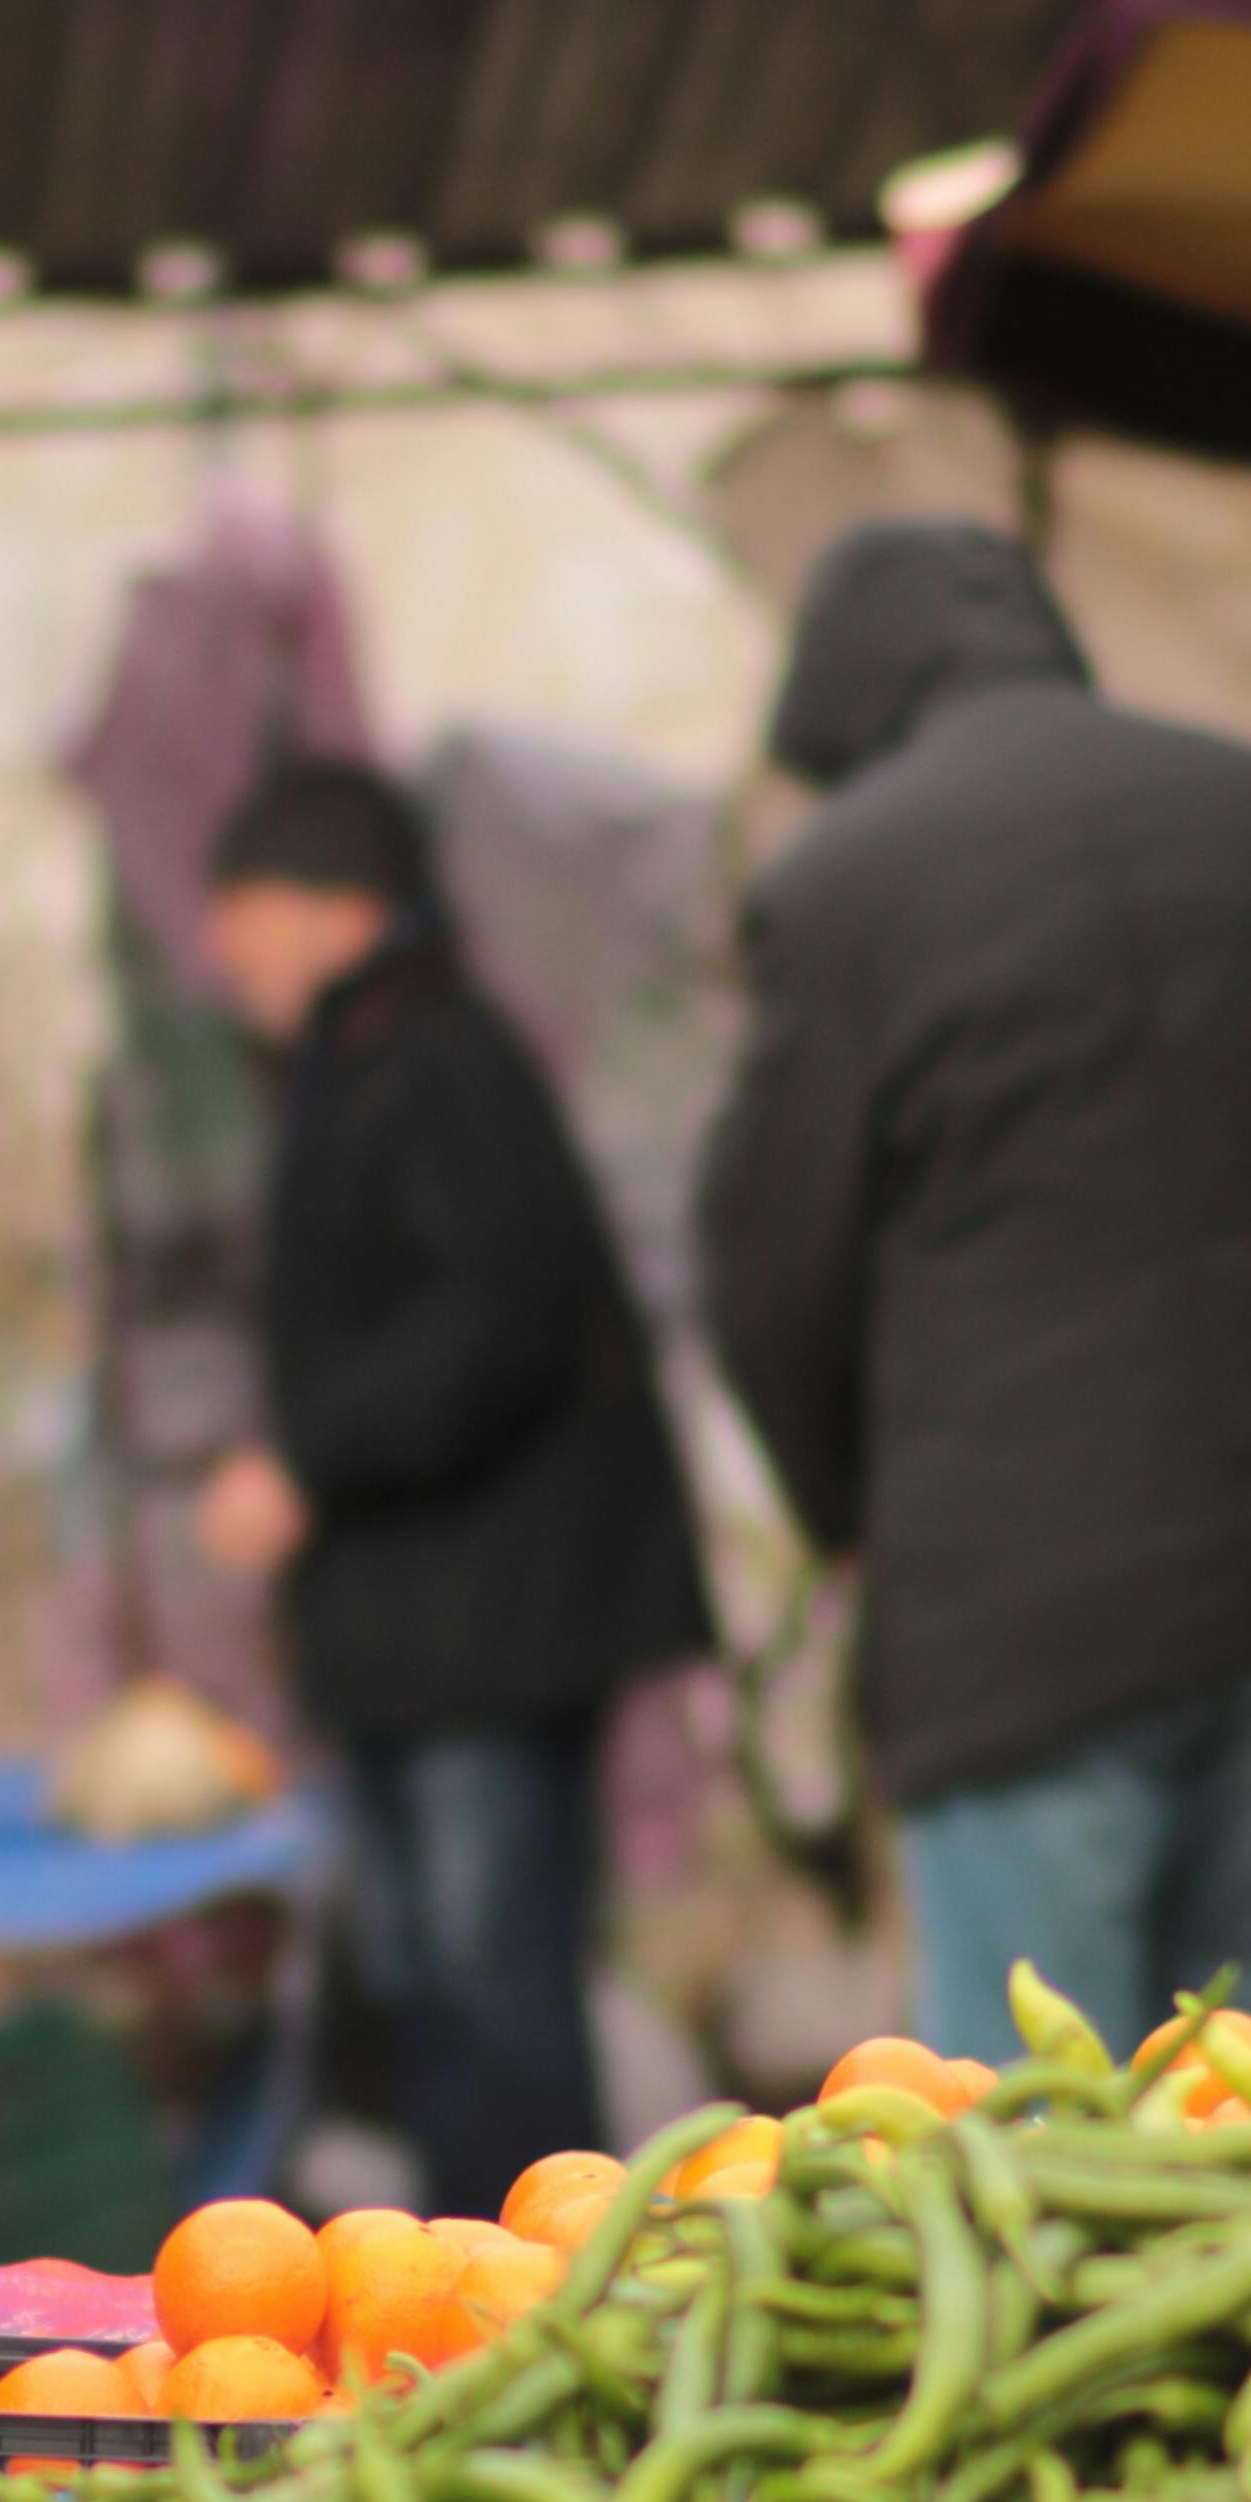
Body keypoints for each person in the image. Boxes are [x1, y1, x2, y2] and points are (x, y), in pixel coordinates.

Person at [700, 520, 1251, 2067]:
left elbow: (765, 1265)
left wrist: (858, 1507)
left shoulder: (846, 885)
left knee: (1032, 2178)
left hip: (1013, 1619)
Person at [191, 756, 712, 2214]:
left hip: (487, 1629)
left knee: (495, 1994)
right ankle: (473, 2289)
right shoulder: (368, 1059)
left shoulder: (437, 1058)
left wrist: (309, 1461)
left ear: (324, 907)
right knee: (438, 1990)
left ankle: (536, 2301)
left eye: (239, 910)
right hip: (432, 1631)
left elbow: (501, 1314)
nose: (221, 952)